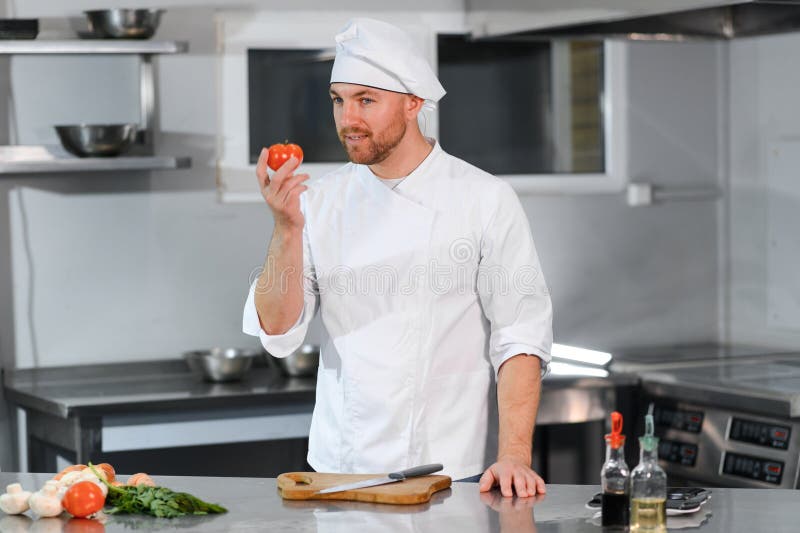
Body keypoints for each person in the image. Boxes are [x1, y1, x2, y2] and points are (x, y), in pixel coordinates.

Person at [243, 17, 553, 498]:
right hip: (341, 468)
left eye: (366, 99)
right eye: (339, 100)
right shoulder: (318, 202)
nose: (348, 118)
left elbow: (520, 336)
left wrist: (514, 453)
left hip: (450, 468)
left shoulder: (484, 199)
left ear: (413, 103)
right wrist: (285, 229)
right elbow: (278, 333)